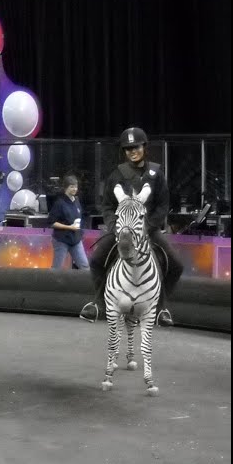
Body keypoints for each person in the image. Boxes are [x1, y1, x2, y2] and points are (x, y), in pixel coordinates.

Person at [78, 127, 184, 327]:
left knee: (177, 265)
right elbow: (107, 206)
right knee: (96, 260)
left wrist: (148, 226)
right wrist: (114, 226)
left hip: (149, 229)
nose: (132, 151)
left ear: (144, 147)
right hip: (123, 230)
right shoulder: (116, 175)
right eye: (128, 149)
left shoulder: (156, 174)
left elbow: (163, 205)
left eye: (136, 147)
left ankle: (160, 308)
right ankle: (98, 303)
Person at [49, 174, 89, 270]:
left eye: (76, 186)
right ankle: (51, 280)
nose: (75, 189)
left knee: (85, 267)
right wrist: (69, 227)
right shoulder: (59, 203)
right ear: (66, 188)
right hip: (61, 240)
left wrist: (80, 232)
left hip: (75, 240)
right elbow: (52, 223)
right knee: (57, 269)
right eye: (72, 187)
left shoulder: (77, 201)